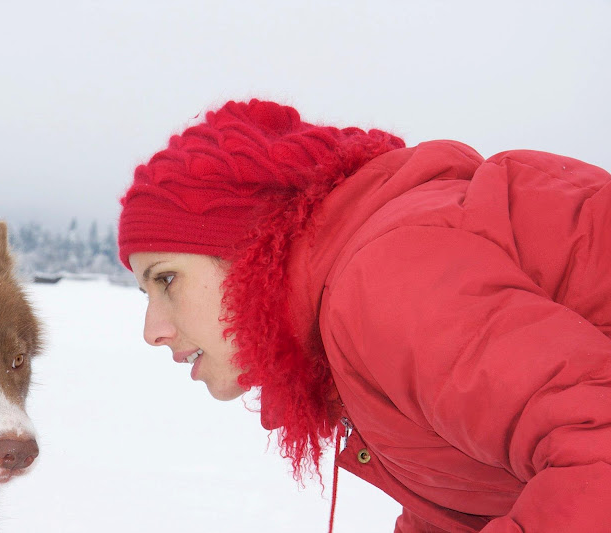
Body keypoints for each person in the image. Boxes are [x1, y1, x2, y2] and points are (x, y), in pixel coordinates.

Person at [116, 99, 611, 532]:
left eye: (166, 280)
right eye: (145, 293)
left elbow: (596, 451)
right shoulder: (347, 329)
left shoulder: (384, 282)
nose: (152, 331)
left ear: (249, 252)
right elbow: (467, 498)